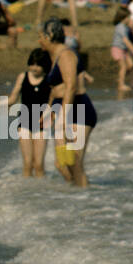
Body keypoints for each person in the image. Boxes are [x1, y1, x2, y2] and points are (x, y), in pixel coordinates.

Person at [39, 19, 95, 186]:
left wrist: (63, 117)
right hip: (63, 109)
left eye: (41, 36)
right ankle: (74, 198)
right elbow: (55, 89)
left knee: (74, 163)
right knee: (62, 163)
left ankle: (85, 197)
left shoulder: (66, 55)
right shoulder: (54, 56)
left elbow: (71, 87)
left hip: (79, 111)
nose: (39, 40)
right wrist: (47, 112)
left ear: (49, 37)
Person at [8, 48, 53, 177]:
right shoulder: (23, 77)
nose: (34, 67)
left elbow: (52, 102)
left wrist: (46, 116)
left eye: (38, 65)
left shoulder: (49, 80)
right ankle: (26, 194)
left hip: (42, 123)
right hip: (24, 122)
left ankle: (39, 194)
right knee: (28, 163)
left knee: (39, 164)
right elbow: (12, 98)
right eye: (32, 64)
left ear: (45, 66)